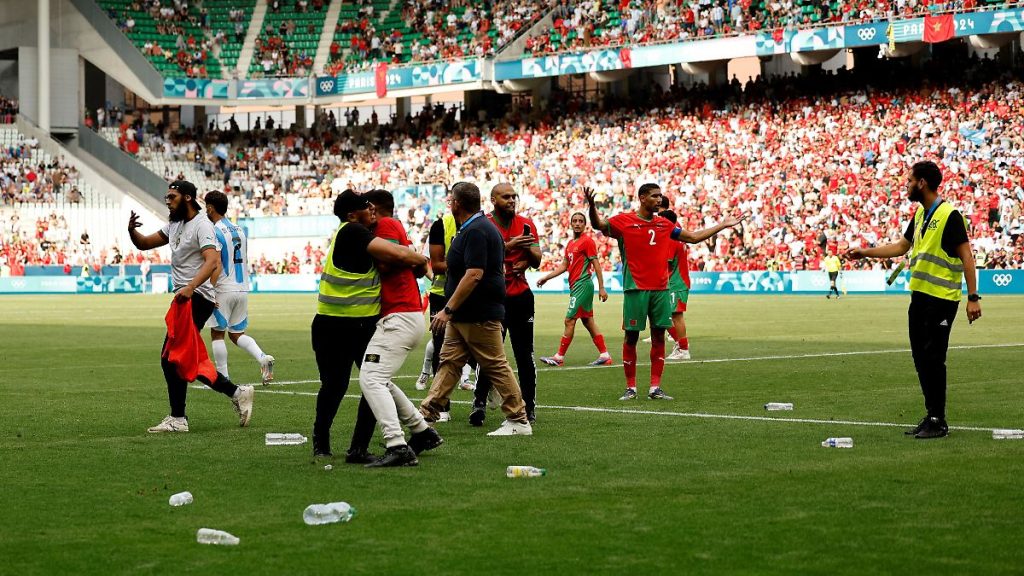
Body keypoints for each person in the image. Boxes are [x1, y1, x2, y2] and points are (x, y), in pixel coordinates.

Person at [846, 160, 982, 439]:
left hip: (942, 299)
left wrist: (973, 297)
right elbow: (901, 246)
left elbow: (967, 256)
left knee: (934, 359)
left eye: (909, 180)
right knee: (921, 358)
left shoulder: (949, 215)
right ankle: (931, 415)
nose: (906, 185)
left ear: (922, 183)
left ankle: (938, 420)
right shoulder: (920, 216)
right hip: (919, 299)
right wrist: (865, 252)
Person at [585, 184, 743, 401]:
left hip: (661, 289)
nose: (659, 200)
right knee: (631, 337)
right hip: (635, 289)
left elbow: (694, 237)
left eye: (660, 196)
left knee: (659, 336)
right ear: (642, 198)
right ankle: (630, 388)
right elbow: (598, 224)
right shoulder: (624, 221)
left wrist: (722, 225)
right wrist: (592, 206)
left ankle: (654, 388)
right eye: (655, 196)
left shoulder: (665, 224)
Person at [311, 190, 430, 460]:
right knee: (337, 385)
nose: (371, 210)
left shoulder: (359, 231)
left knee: (368, 383)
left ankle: (356, 448)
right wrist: (421, 261)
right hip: (335, 326)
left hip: (360, 325)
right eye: (366, 207)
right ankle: (324, 442)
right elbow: (395, 254)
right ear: (353, 215)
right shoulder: (353, 231)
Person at [128, 180, 254, 433]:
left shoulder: (203, 225)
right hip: (186, 298)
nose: (167, 200)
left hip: (196, 298)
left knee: (170, 357)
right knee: (181, 359)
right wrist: (132, 231)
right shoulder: (175, 225)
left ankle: (179, 418)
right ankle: (236, 392)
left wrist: (191, 286)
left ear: (187, 197)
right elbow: (144, 243)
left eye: (172, 196)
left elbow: (212, 261)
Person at [419, 182, 533, 437]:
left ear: (455, 203)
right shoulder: (475, 228)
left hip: (478, 313)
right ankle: (426, 416)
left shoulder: (477, 231)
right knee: (449, 363)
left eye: (451, 200)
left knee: (495, 365)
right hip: (465, 314)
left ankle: (519, 419)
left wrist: (447, 309)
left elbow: (474, 274)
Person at [359, 189, 443, 467]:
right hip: (402, 313)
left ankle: (396, 444)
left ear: (373, 207)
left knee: (370, 379)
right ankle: (422, 432)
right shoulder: (391, 227)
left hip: (400, 315)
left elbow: (388, 261)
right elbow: (414, 264)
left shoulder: (385, 225)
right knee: (378, 378)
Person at [470, 183, 542, 426]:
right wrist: (511, 245)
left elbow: (537, 260)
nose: (512, 200)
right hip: (492, 298)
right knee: (490, 355)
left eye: (514, 196)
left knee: (525, 355)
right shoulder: (484, 225)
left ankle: (529, 406)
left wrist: (528, 253)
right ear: (493, 200)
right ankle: (478, 403)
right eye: (506, 197)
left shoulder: (526, 223)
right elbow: (483, 259)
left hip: (521, 297)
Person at [203, 191, 275, 385]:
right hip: (242, 288)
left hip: (224, 288)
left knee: (217, 333)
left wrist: (210, 289)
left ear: (210, 207)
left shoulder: (214, 231)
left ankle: (223, 378)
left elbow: (216, 263)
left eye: (205, 206)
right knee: (236, 334)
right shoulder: (240, 230)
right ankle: (262, 358)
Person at [415, 190, 475, 396]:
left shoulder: (480, 225)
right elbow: (433, 263)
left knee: (478, 343)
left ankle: (480, 395)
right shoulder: (440, 225)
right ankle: (441, 406)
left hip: (472, 293)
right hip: (442, 292)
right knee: (440, 345)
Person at [537, 211, 612, 367]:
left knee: (569, 320)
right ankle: (605, 355)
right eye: (575, 221)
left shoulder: (588, 242)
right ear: (571, 224)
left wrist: (602, 288)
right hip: (576, 286)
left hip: (583, 285)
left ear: (585, 225)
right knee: (587, 321)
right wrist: (546, 277)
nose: (577, 223)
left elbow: (596, 265)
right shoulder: (571, 244)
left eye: (580, 221)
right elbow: (564, 266)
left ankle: (559, 357)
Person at [657, 209, 692, 361]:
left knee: (676, 316)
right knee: (664, 315)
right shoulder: (677, 233)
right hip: (676, 281)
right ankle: (680, 345)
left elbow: (666, 262)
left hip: (676, 282)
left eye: (660, 220)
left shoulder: (671, 238)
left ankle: (683, 349)